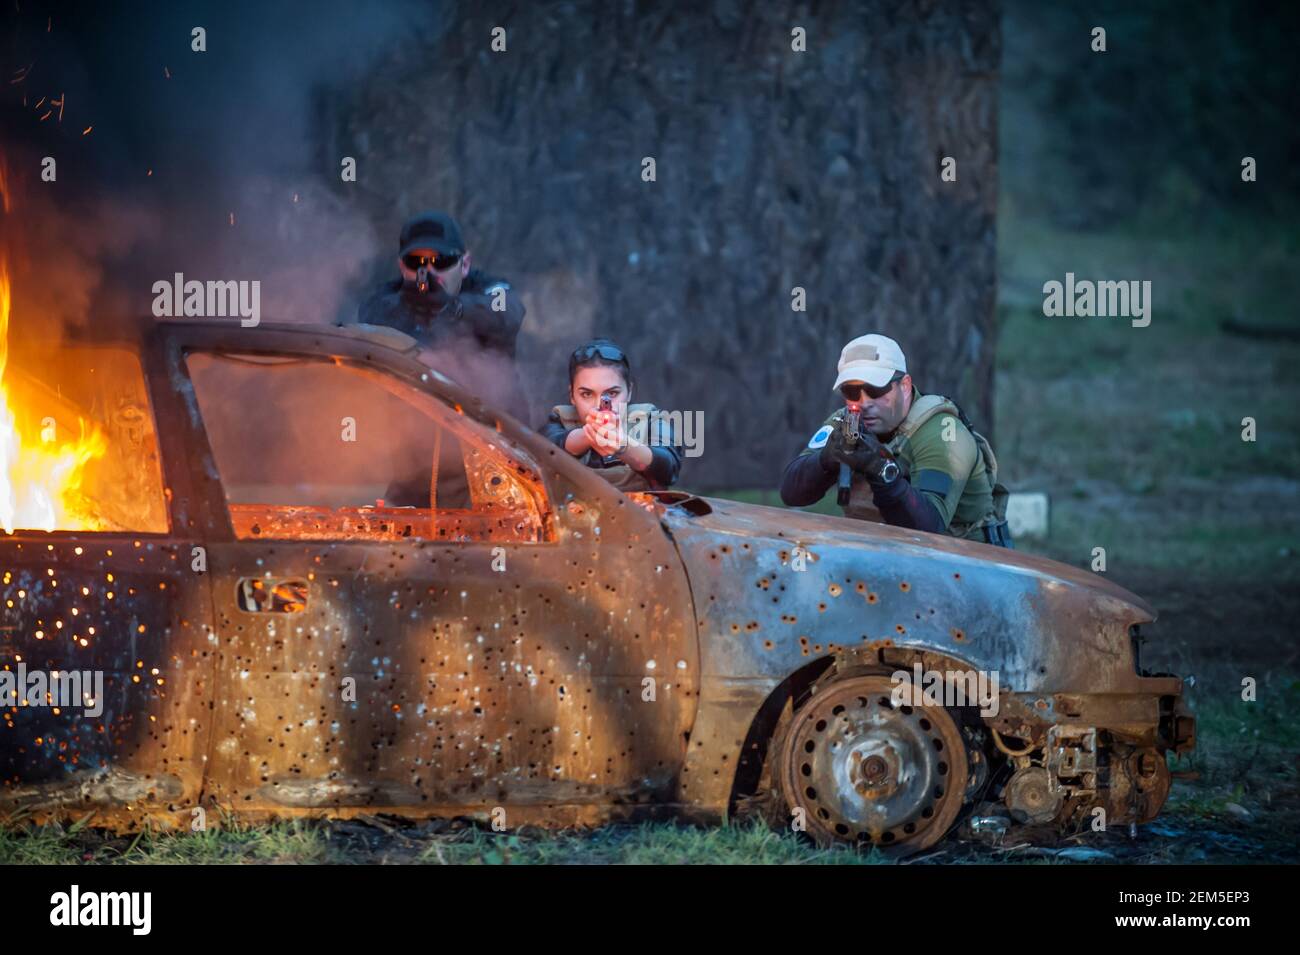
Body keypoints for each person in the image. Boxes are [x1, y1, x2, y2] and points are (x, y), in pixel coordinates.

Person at [780, 333, 1013, 547]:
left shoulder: (942, 433)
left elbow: (929, 529)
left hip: (967, 560)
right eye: (851, 392)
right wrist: (825, 460)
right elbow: (792, 494)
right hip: (887, 554)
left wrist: (880, 470)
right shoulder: (845, 421)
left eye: (876, 389)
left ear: (905, 386)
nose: (864, 403)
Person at [540, 339, 682, 491]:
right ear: (572, 396)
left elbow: (669, 467)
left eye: (612, 393)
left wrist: (625, 447)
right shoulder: (560, 419)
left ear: (629, 392)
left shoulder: (650, 419)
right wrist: (589, 435)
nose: (601, 406)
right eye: (587, 394)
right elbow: (542, 450)